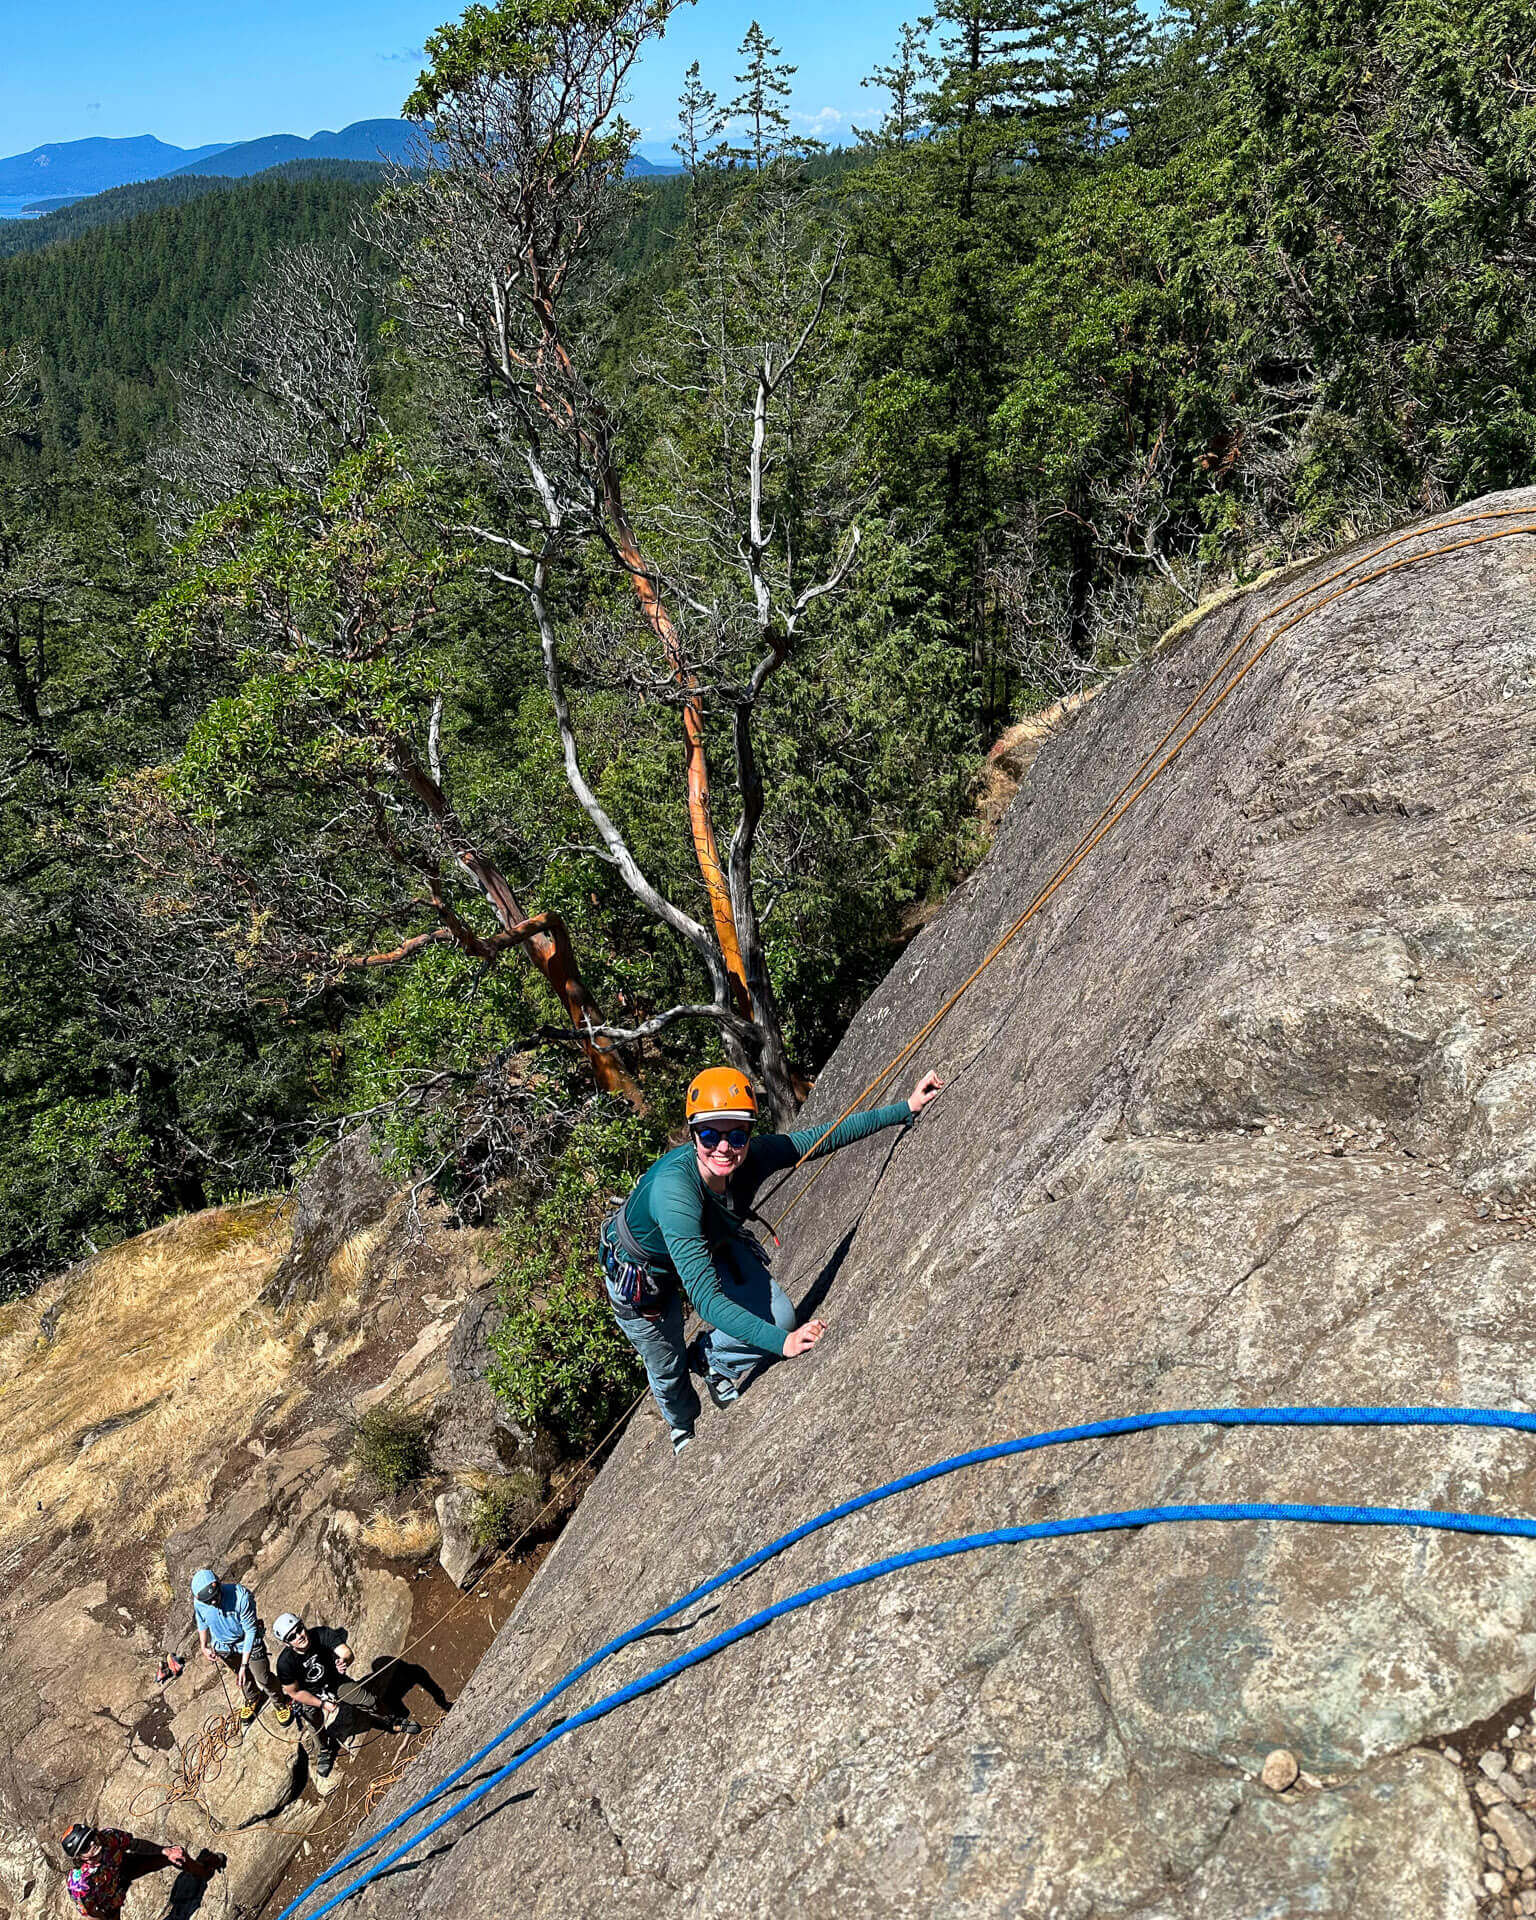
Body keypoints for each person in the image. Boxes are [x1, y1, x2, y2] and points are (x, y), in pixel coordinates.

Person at [602, 1066, 943, 1454]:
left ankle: (714, 1360)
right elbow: (707, 1301)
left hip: (711, 1238)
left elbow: (820, 1139)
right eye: (711, 1135)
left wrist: (905, 1107)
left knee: (781, 1316)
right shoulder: (674, 1192)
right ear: (694, 1132)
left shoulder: (752, 1158)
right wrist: (784, 1346)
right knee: (667, 1367)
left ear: (749, 1133)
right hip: (644, 1275)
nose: (724, 1148)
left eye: (737, 1134)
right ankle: (683, 1431)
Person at [271, 1612, 420, 1781]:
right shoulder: (285, 1663)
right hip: (311, 1693)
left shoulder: (320, 1634)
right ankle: (324, 1751)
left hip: (334, 1681)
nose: (299, 1636)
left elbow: (346, 1652)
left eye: (299, 1629)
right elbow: (295, 1693)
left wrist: (344, 1661)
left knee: (369, 1700)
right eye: (292, 1636)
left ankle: (394, 1721)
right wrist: (322, 1703)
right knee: (314, 1721)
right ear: (287, 1643)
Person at [189, 1568, 291, 1726]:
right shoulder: (200, 1602)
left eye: (215, 1596)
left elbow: (250, 1631)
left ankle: (280, 1702)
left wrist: (244, 1664)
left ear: (219, 1585)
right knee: (241, 1677)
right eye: (209, 1600)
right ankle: (253, 1697)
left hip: (248, 1642)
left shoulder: (241, 1597)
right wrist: (203, 1645)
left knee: (263, 1677)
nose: (214, 1602)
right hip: (224, 1646)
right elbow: (201, 1621)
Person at [60, 1824, 224, 1916]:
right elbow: (90, 1913)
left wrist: (164, 1851)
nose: (92, 1844)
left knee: (175, 1854)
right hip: (106, 1899)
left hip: (123, 1868)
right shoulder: (79, 1884)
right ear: (78, 1857)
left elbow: (135, 1845)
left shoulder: (107, 1838)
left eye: (91, 1838)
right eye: (84, 1847)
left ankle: (203, 1869)